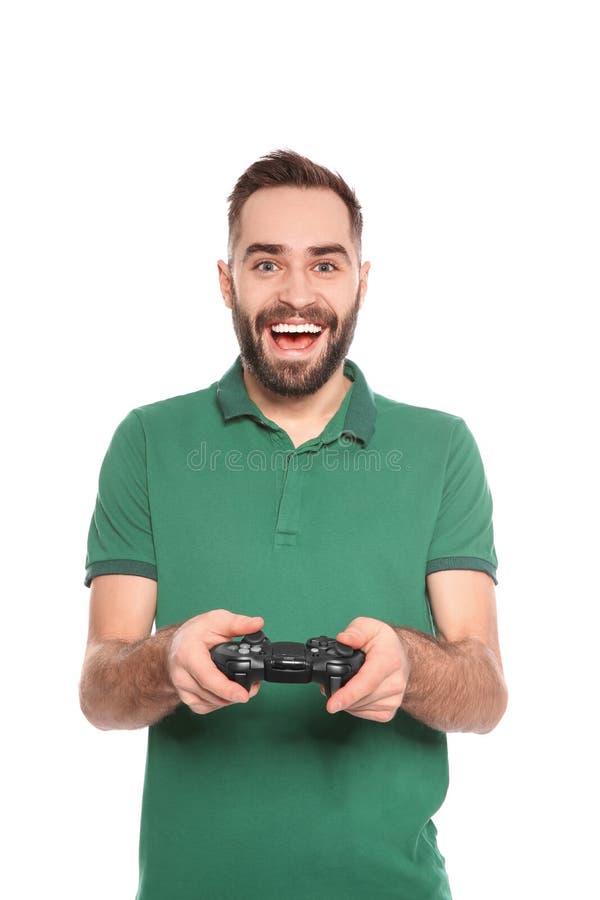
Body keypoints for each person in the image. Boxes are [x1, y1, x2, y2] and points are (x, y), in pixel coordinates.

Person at [80, 149, 507, 900]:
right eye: (268, 264)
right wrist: (165, 661)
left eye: (326, 265)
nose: (298, 295)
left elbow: (485, 690)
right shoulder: (147, 442)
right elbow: (100, 688)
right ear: (228, 281)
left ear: (361, 282)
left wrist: (409, 665)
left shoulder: (441, 448)